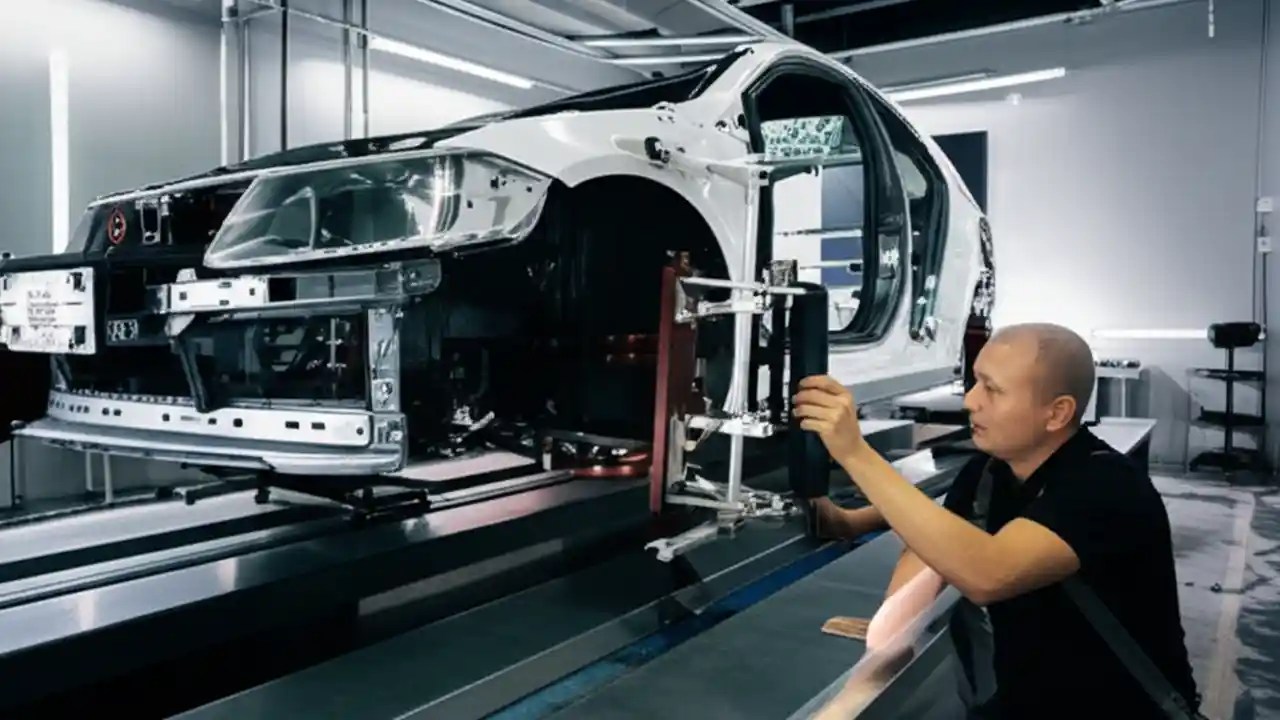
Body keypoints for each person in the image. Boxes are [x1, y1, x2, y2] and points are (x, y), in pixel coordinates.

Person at [793, 322, 1199, 719]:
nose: (971, 401)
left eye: (993, 389)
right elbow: (927, 557)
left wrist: (856, 454)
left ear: (1057, 413)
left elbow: (987, 572)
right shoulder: (987, 475)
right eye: (974, 382)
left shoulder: (1105, 487)